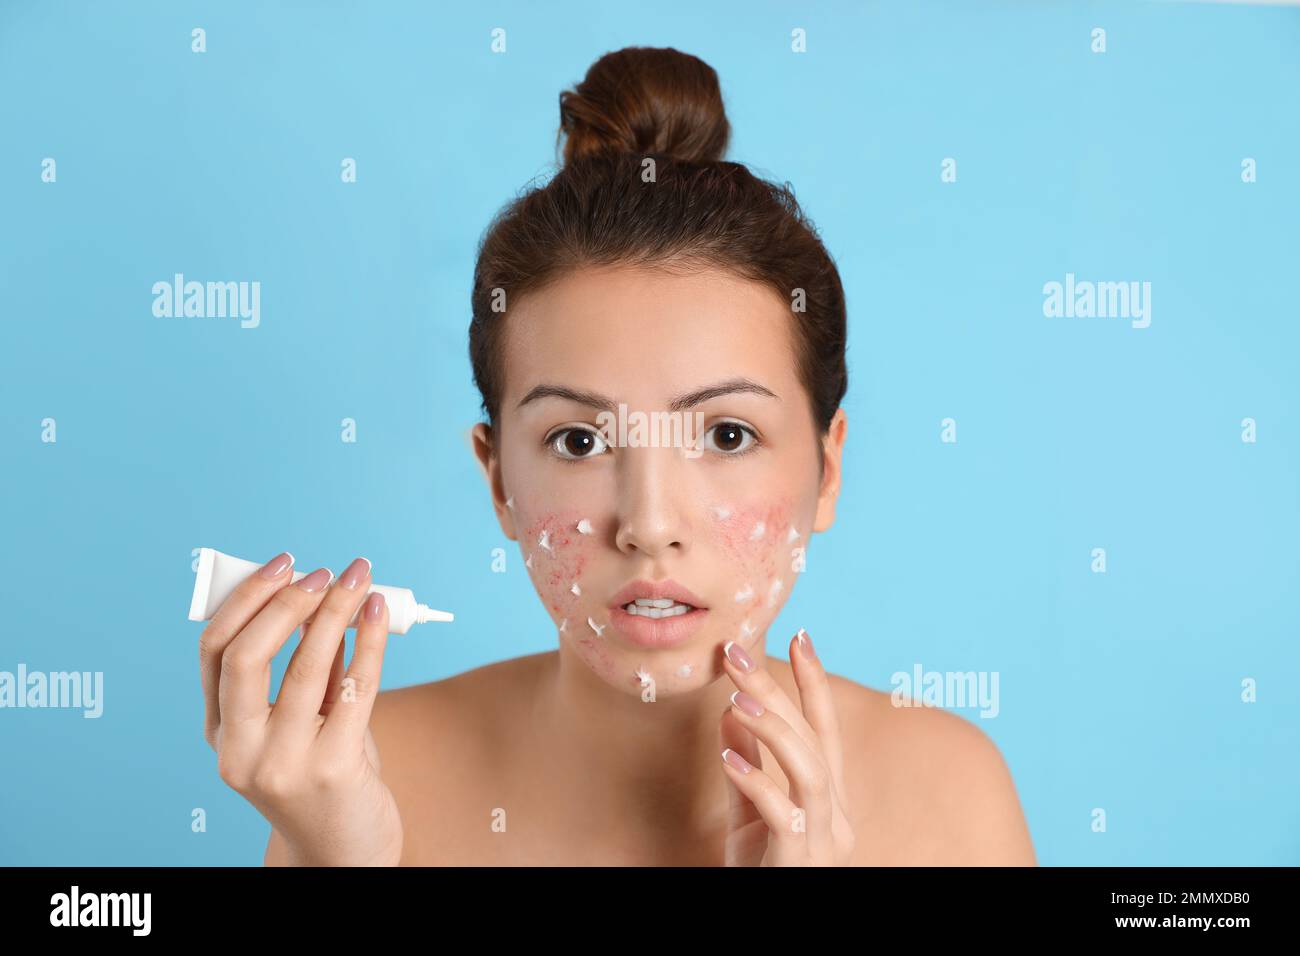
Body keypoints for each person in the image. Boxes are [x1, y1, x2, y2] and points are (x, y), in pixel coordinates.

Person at [199, 46, 1036, 866]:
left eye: (726, 435)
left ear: (830, 468)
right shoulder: (360, 782)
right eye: (579, 440)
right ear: (497, 478)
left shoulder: (946, 796)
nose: (648, 524)